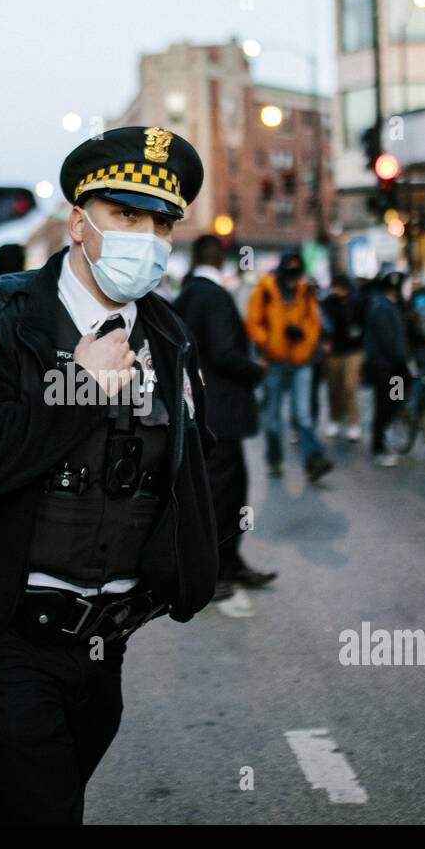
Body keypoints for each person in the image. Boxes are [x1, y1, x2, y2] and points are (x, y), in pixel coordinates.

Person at [0, 125, 217, 824]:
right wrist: (77, 388)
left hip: (104, 645)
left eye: (162, 222)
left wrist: (191, 569)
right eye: (126, 216)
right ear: (79, 222)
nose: (148, 237)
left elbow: (192, 464)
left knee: (43, 803)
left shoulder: (168, 335)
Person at [175, 233, 275, 604]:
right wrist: (256, 370)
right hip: (220, 413)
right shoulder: (213, 296)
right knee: (223, 497)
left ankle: (230, 564)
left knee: (221, 494)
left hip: (201, 410)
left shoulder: (187, 294)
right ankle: (215, 572)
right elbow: (223, 353)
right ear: (218, 257)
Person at [246, 252, 332, 482]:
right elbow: (253, 323)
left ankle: (313, 459)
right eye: (290, 271)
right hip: (274, 362)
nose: (294, 276)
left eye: (297, 271)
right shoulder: (265, 290)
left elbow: (314, 322)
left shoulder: (306, 292)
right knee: (273, 416)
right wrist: (269, 342)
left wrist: (304, 338)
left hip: (300, 361)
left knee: (302, 415)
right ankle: (274, 458)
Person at [362, 271, 410, 467]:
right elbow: (388, 340)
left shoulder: (386, 305)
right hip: (387, 367)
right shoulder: (383, 307)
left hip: (391, 367)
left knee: (393, 402)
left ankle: (384, 437)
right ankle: (379, 447)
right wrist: (401, 359)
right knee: (385, 405)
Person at [321, 274, 365, 441]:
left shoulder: (356, 302)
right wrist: (325, 340)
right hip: (333, 351)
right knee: (333, 388)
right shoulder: (327, 303)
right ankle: (335, 418)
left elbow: (363, 323)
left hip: (353, 350)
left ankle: (353, 423)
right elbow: (321, 324)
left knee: (349, 387)